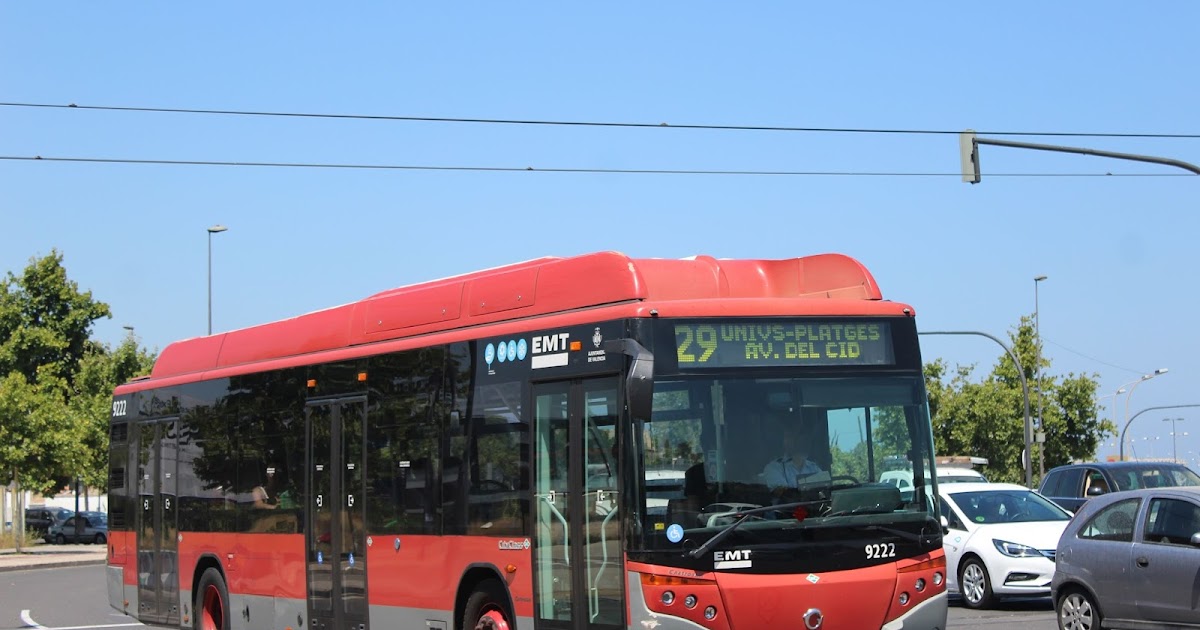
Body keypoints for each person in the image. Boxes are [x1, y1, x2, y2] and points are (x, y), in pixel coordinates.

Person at [762, 426, 825, 495]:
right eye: (788, 437)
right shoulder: (773, 468)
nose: (803, 441)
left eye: (803, 436)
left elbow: (825, 488)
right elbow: (786, 495)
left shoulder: (813, 467)